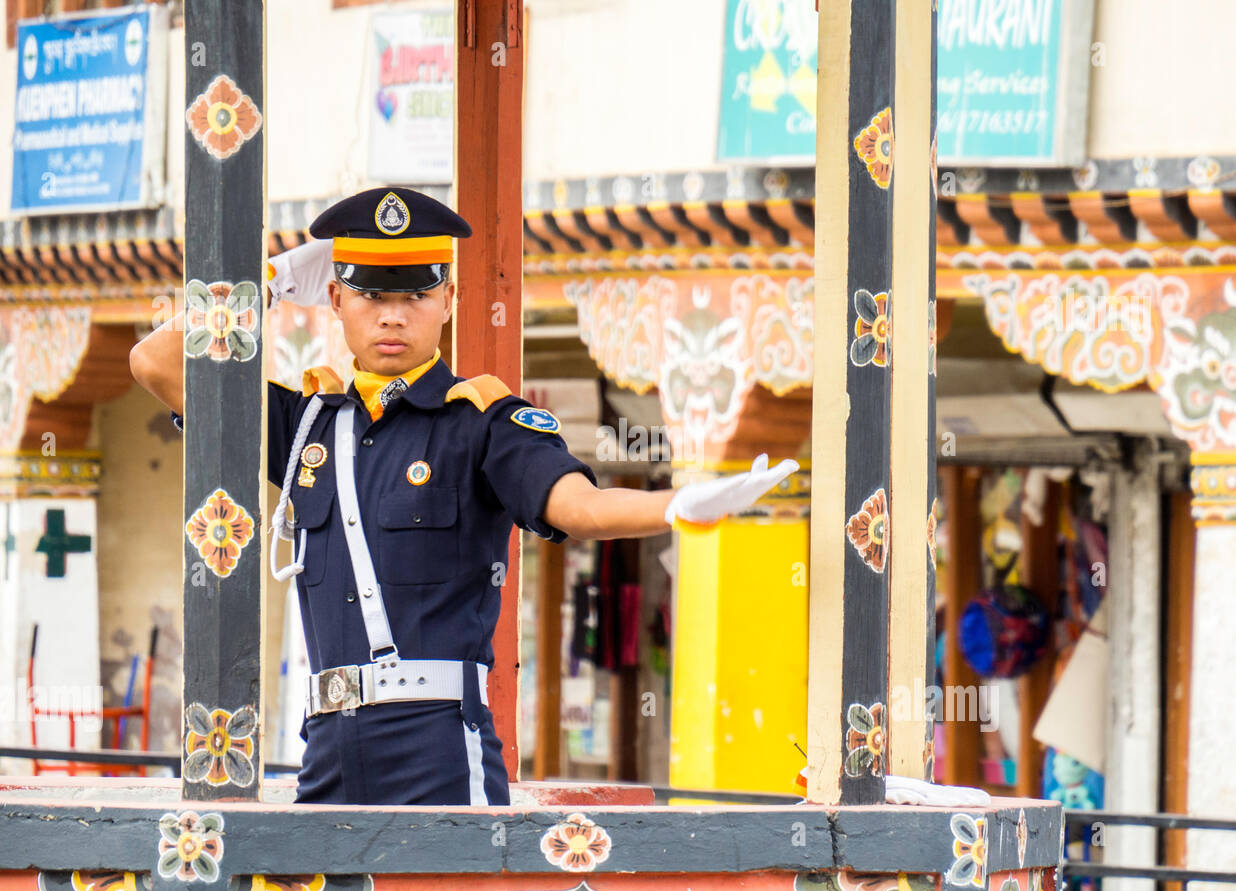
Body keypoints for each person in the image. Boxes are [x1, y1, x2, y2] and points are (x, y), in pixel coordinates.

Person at [129, 186, 797, 806]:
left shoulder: (481, 422)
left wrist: (673, 507)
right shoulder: (305, 422)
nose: (393, 314)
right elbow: (155, 364)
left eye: (416, 294)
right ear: (333, 298)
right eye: (369, 294)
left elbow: (574, 504)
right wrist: (266, 283)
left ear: (447, 298)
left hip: (440, 745)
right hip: (328, 742)